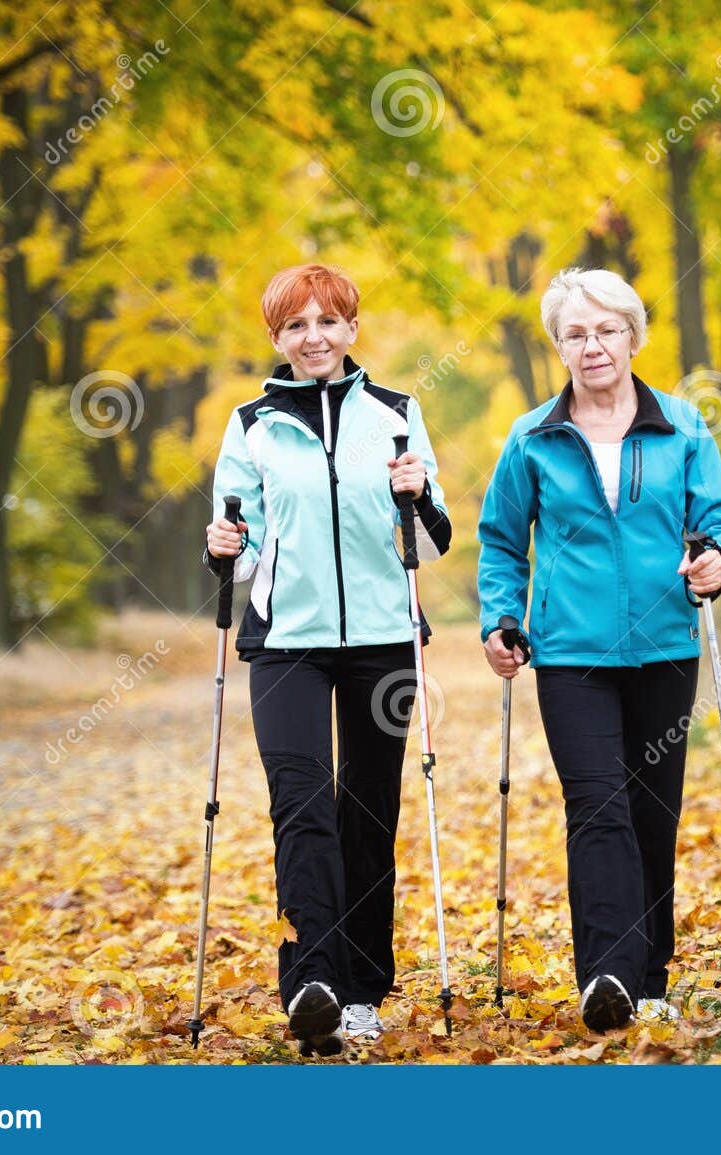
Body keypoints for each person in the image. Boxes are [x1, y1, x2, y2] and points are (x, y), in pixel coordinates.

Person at [477, 267, 721, 1032]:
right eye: (575, 334)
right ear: (558, 346)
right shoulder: (531, 437)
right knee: (595, 804)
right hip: (569, 654)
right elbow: (501, 543)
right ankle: (608, 973)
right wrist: (501, 620)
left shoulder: (685, 427)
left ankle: (650, 973)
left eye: (605, 330)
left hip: (666, 645)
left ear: (633, 336)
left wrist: (719, 560)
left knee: (651, 811)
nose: (591, 346)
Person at [204, 263, 451, 1055]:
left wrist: (419, 493)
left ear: (351, 328)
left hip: (383, 636)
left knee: (370, 807)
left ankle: (364, 987)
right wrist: (222, 545)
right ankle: (313, 978)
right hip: (287, 644)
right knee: (302, 802)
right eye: (296, 325)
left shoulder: (397, 414)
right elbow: (236, 551)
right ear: (276, 338)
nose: (314, 336)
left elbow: (433, 540)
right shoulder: (251, 424)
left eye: (328, 321)